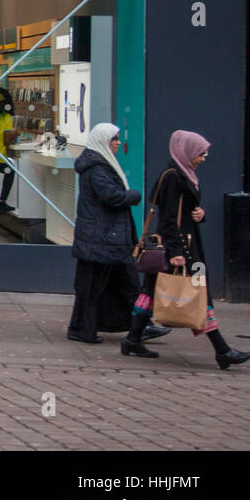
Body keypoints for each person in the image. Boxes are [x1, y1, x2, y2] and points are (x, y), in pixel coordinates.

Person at [121, 131, 250, 367]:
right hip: (182, 248)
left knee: (151, 290)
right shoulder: (173, 177)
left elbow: (181, 212)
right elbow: (169, 217)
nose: (203, 157)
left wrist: (200, 215)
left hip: (182, 243)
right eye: (200, 153)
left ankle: (132, 339)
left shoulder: (182, 174)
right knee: (199, 291)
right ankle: (222, 350)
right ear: (187, 151)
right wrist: (176, 251)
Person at [67, 123, 147, 344]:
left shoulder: (98, 165)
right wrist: (133, 195)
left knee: (111, 283)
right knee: (91, 286)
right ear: (103, 141)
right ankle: (83, 328)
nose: (118, 143)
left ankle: (137, 325)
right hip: (101, 236)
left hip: (105, 236)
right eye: (115, 139)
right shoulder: (98, 168)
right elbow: (111, 196)